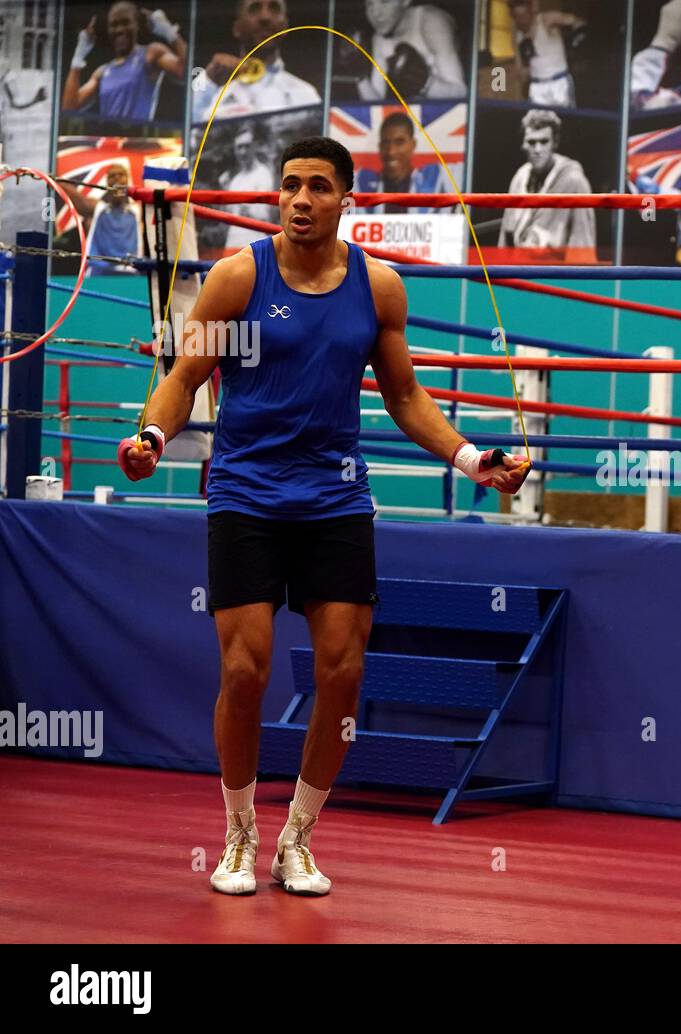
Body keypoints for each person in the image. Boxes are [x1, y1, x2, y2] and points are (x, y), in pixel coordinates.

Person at [116, 136, 529, 896]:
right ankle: (239, 836)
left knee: (342, 673)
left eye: (317, 187)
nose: (300, 199)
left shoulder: (379, 289)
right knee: (246, 671)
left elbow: (405, 397)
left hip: (335, 497)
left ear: (346, 199)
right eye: (290, 186)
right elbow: (185, 376)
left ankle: (297, 839)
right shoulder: (239, 278)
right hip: (245, 491)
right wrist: (151, 434)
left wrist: (474, 461)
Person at [190, 0, 321, 123]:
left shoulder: (305, 95)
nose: (265, 17)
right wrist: (209, 84)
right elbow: (188, 137)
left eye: (274, 8)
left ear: (286, 26)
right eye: (254, 9)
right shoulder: (208, 84)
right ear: (237, 28)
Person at [61, 2, 188, 122]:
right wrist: (78, 56)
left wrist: (169, 32)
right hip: (110, 141)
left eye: (125, 22)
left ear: (136, 25)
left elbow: (186, 74)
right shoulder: (102, 72)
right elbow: (69, 110)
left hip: (138, 140)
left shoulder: (151, 53)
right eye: (114, 25)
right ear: (108, 29)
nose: (119, 29)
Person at [499, 109, 594, 252]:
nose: (537, 149)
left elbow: (583, 246)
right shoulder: (520, 178)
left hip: (553, 271)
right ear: (523, 144)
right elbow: (505, 238)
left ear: (554, 143)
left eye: (544, 142)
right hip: (519, 269)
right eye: (532, 142)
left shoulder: (574, 181)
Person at [349, 0, 466, 102]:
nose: (376, 13)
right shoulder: (380, 38)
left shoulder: (431, 22)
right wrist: (361, 78)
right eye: (370, 4)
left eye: (385, 2)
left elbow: (461, 93)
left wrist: (426, 85)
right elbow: (376, 104)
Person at [353, 110, 452, 214]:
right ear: (380, 146)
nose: (391, 151)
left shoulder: (435, 181)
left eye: (399, 142)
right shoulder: (361, 184)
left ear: (413, 144)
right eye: (386, 143)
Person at [64, 163, 144, 275]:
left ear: (127, 180)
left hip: (130, 273)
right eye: (112, 176)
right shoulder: (96, 208)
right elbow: (74, 196)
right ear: (107, 182)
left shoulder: (138, 211)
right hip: (99, 274)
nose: (117, 178)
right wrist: (56, 181)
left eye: (121, 174)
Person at [508, 0, 584, 109]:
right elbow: (520, 72)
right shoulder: (518, 36)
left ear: (530, 12)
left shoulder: (546, 20)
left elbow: (575, 21)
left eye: (523, 15)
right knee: (537, 124)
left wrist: (577, 35)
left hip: (559, 83)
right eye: (518, 17)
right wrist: (527, 64)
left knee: (565, 122)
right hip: (537, 88)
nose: (522, 20)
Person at [218, 126, 277, 252]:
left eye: (247, 146)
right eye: (239, 147)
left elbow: (264, 216)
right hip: (233, 243)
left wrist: (243, 206)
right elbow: (227, 215)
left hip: (253, 244)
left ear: (254, 147)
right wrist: (223, 191)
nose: (243, 152)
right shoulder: (235, 180)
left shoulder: (263, 174)